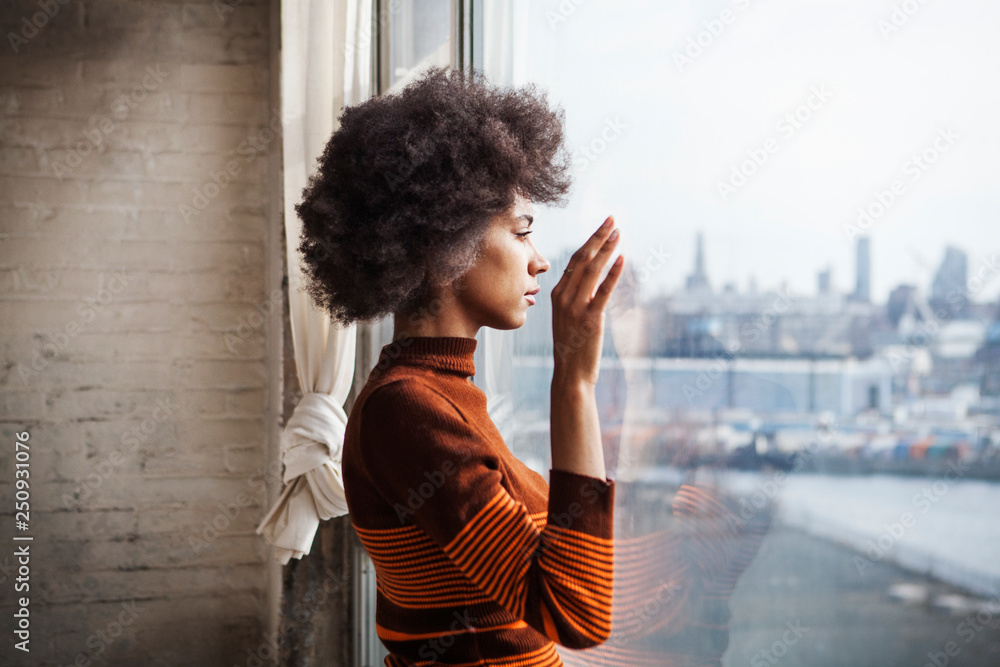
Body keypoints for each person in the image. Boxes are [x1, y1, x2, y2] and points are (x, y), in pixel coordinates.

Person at [295, 66, 624, 666]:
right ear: (444, 242)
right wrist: (574, 380)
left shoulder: (436, 397)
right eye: (522, 232)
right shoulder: (408, 411)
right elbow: (575, 612)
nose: (540, 262)